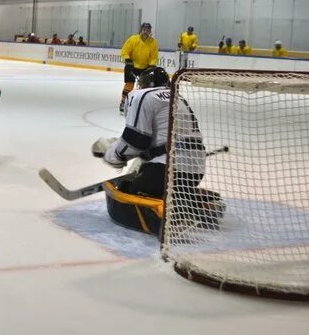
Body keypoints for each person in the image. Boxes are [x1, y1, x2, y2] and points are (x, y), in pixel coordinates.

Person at [91, 67, 221, 236]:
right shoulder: (177, 98)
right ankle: (201, 204)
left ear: (144, 84)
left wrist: (113, 155)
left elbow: (136, 140)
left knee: (129, 189)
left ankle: (175, 214)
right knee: (172, 189)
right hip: (195, 171)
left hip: (165, 169)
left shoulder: (141, 95)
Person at [119, 22, 158, 114]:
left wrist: (152, 64)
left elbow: (154, 56)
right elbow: (125, 50)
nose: (145, 32)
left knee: (146, 86)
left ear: (150, 31)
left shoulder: (153, 42)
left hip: (145, 68)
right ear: (141, 30)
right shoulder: (133, 39)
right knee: (129, 84)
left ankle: (142, 104)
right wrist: (127, 58)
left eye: (148, 30)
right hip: (131, 66)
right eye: (144, 30)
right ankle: (123, 102)